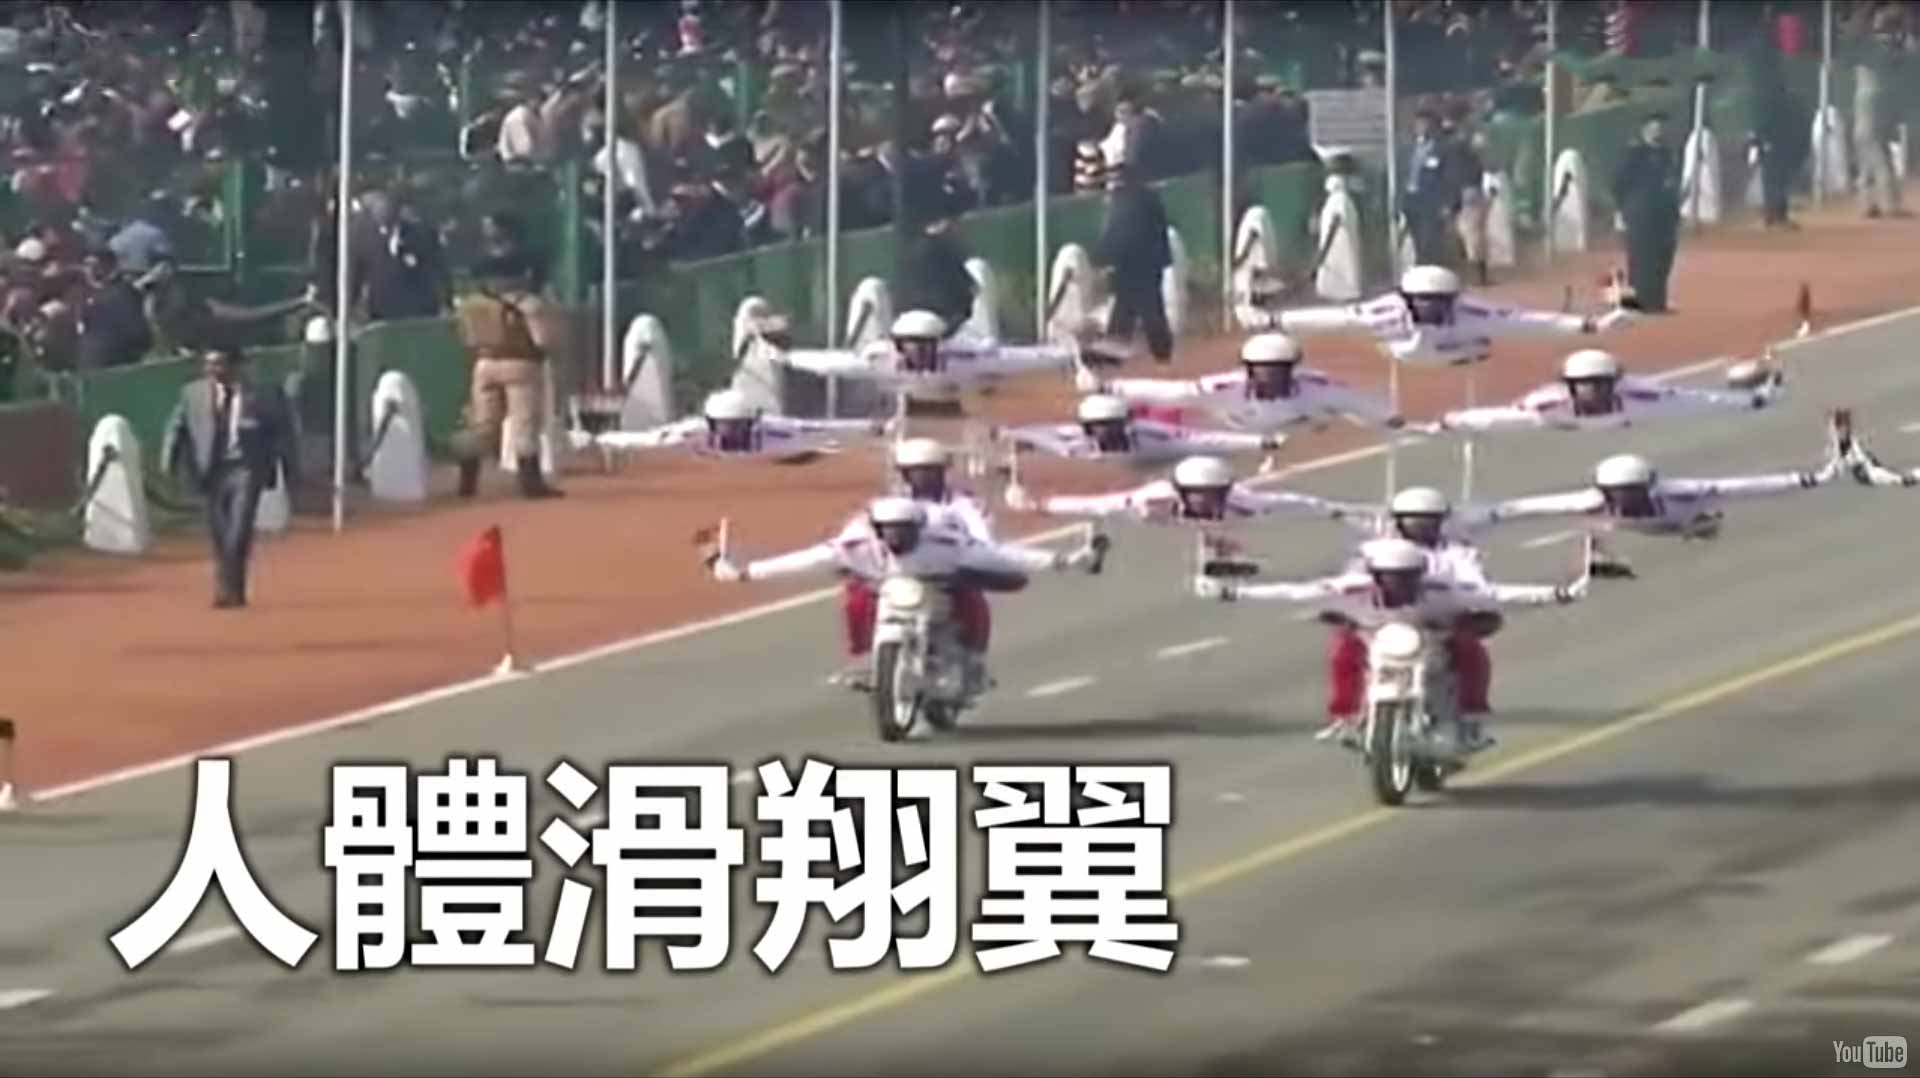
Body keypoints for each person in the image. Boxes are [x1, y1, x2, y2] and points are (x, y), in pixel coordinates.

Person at [1193, 536, 1590, 751]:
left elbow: (1496, 595)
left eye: (1405, 576)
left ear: (1419, 573)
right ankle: (1345, 716)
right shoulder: (1351, 590)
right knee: (1343, 649)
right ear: (1374, 574)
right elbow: (1294, 592)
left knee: (1470, 651)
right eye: (1388, 576)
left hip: (1432, 636)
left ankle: (1471, 718)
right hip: (1376, 640)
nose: (1397, 583)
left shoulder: (1443, 590)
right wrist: (1232, 592)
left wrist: (1556, 594)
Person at [704, 497, 1106, 693]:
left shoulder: (946, 544)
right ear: (878, 530)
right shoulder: (858, 545)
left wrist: (1065, 560)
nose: (895, 537)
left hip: (939, 586)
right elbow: (806, 560)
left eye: (903, 531)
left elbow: (1002, 554)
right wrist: (744, 573)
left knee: (971, 596)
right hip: (889, 591)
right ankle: (865, 659)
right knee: (855, 598)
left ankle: (972, 662)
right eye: (888, 531)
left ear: (917, 528)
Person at [1470, 436, 1845, 573]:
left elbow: (1747, 488)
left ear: (1649, 487)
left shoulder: (1683, 493)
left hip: (1678, 521)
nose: (1624, 498)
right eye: (1617, 492)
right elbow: (1528, 508)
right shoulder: (1592, 502)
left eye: (1631, 491)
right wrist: (1475, 516)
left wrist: (1808, 479)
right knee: (1588, 522)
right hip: (1624, 529)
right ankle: (1600, 556)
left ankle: (1699, 526)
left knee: (1707, 523)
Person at [1276, 265, 1634, 367]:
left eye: (1438, 301)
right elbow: (1335, 318)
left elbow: (1526, 322)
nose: (1430, 307)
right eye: (1423, 301)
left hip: (1458, 346)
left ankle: (1467, 352)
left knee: (1488, 336)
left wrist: (1590, 326)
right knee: (1406, 350)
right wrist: (1277, 321)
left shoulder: (1471, 313)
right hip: (1402, 348)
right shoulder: (1383, 314)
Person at [165, 345, 300, 609]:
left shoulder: (263, 395)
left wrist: (288, 466)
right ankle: (230, 588)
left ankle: (227, 588)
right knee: (219, 533)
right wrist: (169, 461)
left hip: (246, 468)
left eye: (219, 364)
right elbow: (178, 427)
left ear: (235, 367)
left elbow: (283, 432)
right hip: (211, 470)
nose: (213, 370)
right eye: (209, 364)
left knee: (238, 530)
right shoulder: (192, 394)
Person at [1089, 332, 1403, 435]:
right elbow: (1176, 392)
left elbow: (1354, 401)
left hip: (1299, 428)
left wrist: (1388, 418)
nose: (1269, 375)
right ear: (1249, 369)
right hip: (1235, 428)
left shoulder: (1316, 388)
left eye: (1277, 369)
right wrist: (1111, 388)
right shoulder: (1225, 389)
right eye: (1262, 369)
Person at [1422, 348, 1786, 433]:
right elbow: (1499, 418)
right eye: (1584, 385)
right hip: (1566, 425)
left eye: (1599, 385)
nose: (1591, 392)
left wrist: (1754, 400)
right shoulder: (1548, 405)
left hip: (1625, 418)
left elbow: (1697, 401)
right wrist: (1451, 421)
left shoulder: (1642, 398)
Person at [450, 251, 563, 499]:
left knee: (483, 426)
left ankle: (467, 478)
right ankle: (530, 482)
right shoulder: (528, 304)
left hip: (484, 364)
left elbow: (464, 335)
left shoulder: (473, 303)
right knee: (524, 424)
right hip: (521, 365)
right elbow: (542, 340)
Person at [1004, 454, 1355, 525]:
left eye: (1211, 493)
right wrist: (1040, 504)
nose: (1204, 499)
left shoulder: (1244, 503)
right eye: (1197, 493)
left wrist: (1335, 510)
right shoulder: (1152, 501)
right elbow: (1099, 506)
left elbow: (1288, 502)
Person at [572, 388, 889, 456]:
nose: (729, 430)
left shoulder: (774, 431)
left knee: (815, 443)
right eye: (724, 424)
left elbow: (815, 429)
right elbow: (649, 439)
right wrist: (598, 439)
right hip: (708, 460)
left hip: (778, 456)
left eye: (736, 424)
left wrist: (866, 428)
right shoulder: (692, 433)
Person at [995, 393, 1284, 465]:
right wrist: (1006, 435)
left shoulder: (1155, 437)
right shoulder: (1070, 442)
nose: (1104, 432)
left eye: (1111, 425)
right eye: (1097, 426)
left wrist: (1260, 442)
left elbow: (1204, 439)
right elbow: (1037, 434)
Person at [1095, 163, 1174, 363]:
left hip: (1131, 264)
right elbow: (1160, 231)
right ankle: (1161, 351)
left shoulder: (1123, 202)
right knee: (1141, 309)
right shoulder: (1148, 198)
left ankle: (1118, 351)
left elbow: (1115, 234)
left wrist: (1103, 258)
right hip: (1147, 264)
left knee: (1130, 309)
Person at [1612, 113, 1682, 314]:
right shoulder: (1633, 154)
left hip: (1664, 215)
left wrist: (1675, 212)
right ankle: (1638, 302)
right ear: (1644, 131)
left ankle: (1657, 301)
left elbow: (1671, 184)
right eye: (1654, 129)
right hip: (1640, 214)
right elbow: (1618, 183)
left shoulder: (1668, 154)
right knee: (1641, 259)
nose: (1658, 133)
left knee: (1663, 258)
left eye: (1661, 129)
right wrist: (1622, 208)